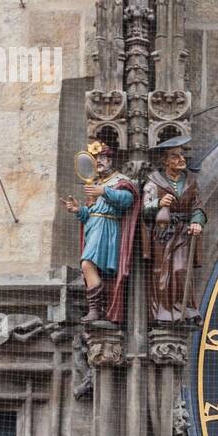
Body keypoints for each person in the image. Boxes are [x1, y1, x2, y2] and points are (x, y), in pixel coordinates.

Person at [62, 139, 140, 324]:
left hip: (108, 229)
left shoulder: (120, 181)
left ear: (111, 160)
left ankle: (95, 309)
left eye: (103, 157)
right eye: (95, 158)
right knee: (92, 268)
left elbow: (128, 199)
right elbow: (91, 213)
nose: (99, 161)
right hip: (94, 228)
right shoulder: (96, 183)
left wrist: (103, 191)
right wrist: (78, 210)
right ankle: (99, 308)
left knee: (87, 264)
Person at [141, 135, 206, 322]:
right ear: (165, 161)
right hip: (163, 233)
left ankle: (185, 309)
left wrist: (197, 221)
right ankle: (164, 312)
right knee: (162, 273)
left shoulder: (191, 181)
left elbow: (198, 206)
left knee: (181, 269)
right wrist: (158, 203)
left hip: (184, 233)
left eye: (182, 155)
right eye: (175, 156)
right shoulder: (154, 182)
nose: (181, 159)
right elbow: (144, 210)